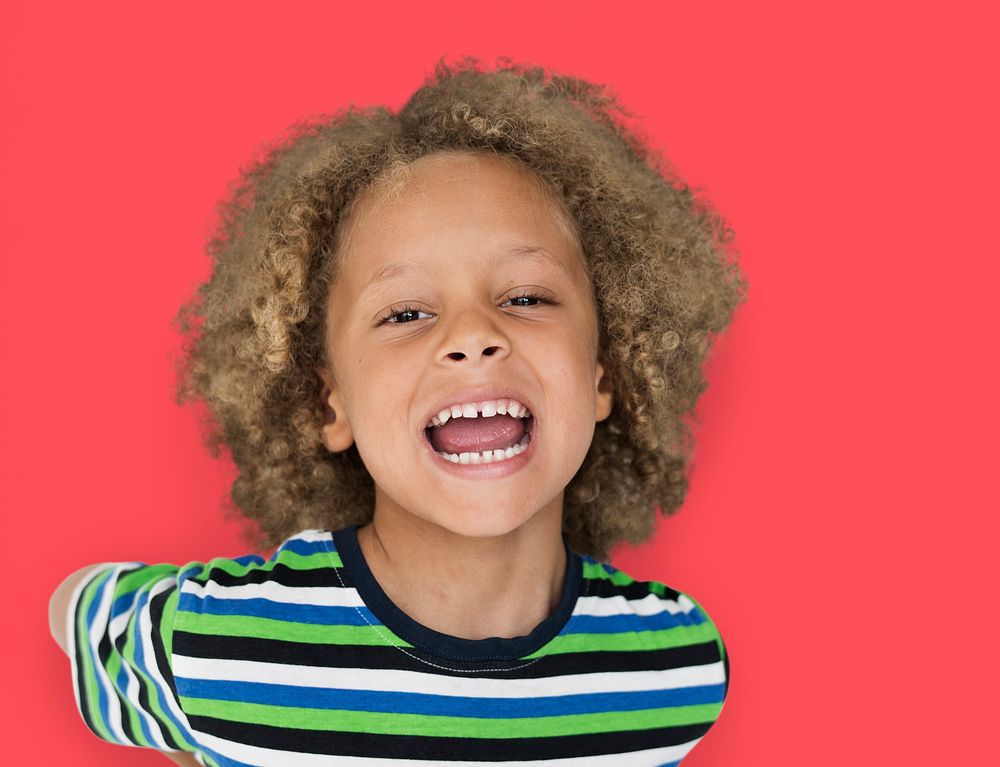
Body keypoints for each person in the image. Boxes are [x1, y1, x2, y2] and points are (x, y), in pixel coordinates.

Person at [49, 57, 747, 766]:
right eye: (406, 312)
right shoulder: (219, 653)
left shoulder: (674, 669)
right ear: (332, 402)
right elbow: (76, 606)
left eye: (527, 297)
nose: (474, 335)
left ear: (604, 373)